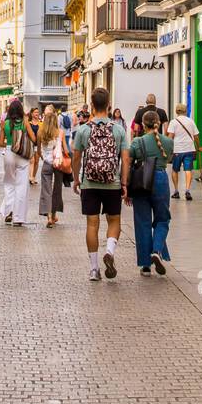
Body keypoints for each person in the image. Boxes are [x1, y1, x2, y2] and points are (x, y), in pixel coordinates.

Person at [71, 86, 129, 282]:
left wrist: (76, 178)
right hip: (112, 182)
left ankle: (94, 269)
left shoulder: (83, 130)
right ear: (109, 105)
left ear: (92, 106)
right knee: (114, 221)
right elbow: (126, 159)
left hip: (90, 182)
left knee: (92, 224)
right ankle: (110, 252)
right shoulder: (119, 129)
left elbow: (76, 157)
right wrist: (124, 183)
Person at [128, 109, 174, 276]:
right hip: (161, 180)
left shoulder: (137, 142)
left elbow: (128, 162)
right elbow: (168, 159)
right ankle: (156, 250)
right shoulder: (168, 142)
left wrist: (126, 189)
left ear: (141, 125)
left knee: (142, 222)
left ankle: (145, 265)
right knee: (163, 219)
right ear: (159, 123)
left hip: (142, 181)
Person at [0, 97, 36, 227]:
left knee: (9, 184)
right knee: (21, 186)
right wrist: (21, 140)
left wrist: (10, 142)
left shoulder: (5, 123)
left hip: (9, 153)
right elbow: (33, 138)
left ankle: (9, 210)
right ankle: (18, 217)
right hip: (22, 156)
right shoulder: (25, 122)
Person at [38, 106, 70, 227]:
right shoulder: (60, 132)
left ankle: (49, 217)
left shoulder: (40, 132)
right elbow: (66, 149)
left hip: (46, 164)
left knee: (46, 190)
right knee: (57, 189)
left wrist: (44, 157)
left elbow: (38, 151)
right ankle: (54, 214)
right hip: (58, 164)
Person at [167, 102, 201, 201]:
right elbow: (196, 136)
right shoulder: (191, 121)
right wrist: (198, 147)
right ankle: (187, 190)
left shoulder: (173, 122)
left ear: (176, 111)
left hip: (177, 150)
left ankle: (176, 191)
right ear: (185, 111)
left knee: (175, 170)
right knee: (188, 170)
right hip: (189, 149)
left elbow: (170, 137)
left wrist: (168, 148)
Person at [28, 106, 42, 184]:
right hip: (30, 144)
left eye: (37, 112)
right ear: (32, 114)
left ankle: (33, 176)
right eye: (35, 112)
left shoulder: (41, 123)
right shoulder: (29, 123)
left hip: (38, 144)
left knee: (36, 161)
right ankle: (30, 177)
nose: (37, 113)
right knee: (32, 160)